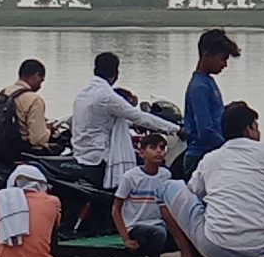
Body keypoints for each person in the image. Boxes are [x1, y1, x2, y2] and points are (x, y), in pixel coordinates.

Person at [160, 102, 264, 257]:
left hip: (219, 250)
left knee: (168, 187)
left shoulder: (211, 159)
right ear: (249, 129)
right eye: (256, 127)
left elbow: (193, 194)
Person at [71, 52, 182, 189]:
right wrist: (177, 129)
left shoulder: (84, 93)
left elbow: (105, 118)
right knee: (153, 166)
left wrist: (132, 124)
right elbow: (141, 117)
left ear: (95, 70)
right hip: (100, 155)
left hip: (81, 153)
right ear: (116, 73)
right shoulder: (107, 96)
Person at [111, 133, 173, 257]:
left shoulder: (166, 175)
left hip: (159, 223)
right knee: (158, 234)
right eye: (153, 147)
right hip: (137, 226)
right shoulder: (131, 177)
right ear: (142, 152)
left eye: (162, 148)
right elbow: (116, 208)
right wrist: (126, 238)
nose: (159, 151)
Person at [181, 29, 240, 175]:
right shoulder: (199, 87)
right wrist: (229, 149)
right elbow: (205, 129)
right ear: (206, 56)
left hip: (212, 153)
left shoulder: (208, 82)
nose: (225, 65)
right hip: (201, 155)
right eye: (222, 59)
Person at [0, 59, 52, 169]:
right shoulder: (34, 99)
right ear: (36, 75)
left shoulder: (4, 92)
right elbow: (37, 139)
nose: (40, 87)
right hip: (21, 154)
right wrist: (48, 130)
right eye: (41, 81)